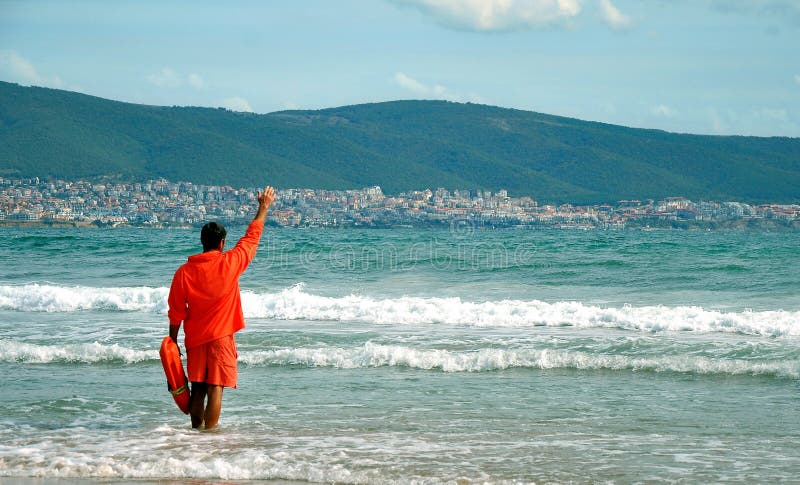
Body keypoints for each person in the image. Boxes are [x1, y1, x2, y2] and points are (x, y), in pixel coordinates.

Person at [168, 186, 275, 429]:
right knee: (215, 387)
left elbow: (176, 311)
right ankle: (210, 437)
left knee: (197, 387)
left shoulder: (184, 272)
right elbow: (252, 237)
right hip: (221, 338)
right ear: (223, 243)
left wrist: (172, 342)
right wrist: (263, 207)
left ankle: (196, 435)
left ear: (202, 242)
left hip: (195, 338)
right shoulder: (231, 262)